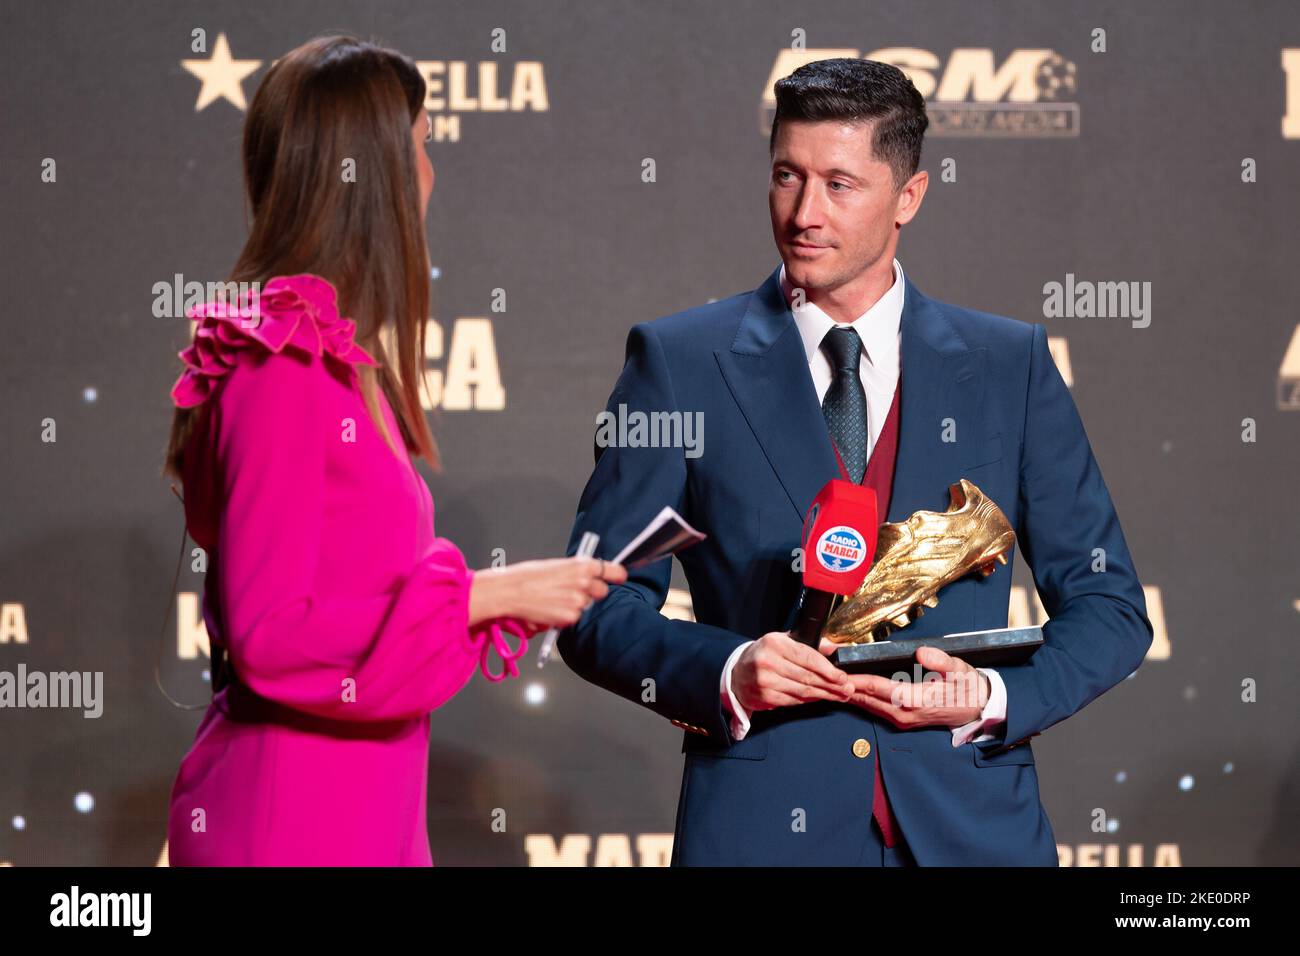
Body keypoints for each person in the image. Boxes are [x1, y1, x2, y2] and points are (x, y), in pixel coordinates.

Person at [560, 58, 1152, 866]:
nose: (805, 213)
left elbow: (1110, 606)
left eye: (840, 185)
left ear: (909, 196)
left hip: (973, 832)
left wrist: (992, 696)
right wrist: (729, 669)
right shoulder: (679, 364)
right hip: (761, 836)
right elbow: (596, 606)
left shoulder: (1009, 366)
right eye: (787, 176)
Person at [161, 34, 625, 866]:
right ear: (375, 172)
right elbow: (271, 633)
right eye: (421, 145)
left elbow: (344, 601)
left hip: (355, 804)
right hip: (293, 820)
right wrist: (483, 594)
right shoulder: (282, 367)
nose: (431, 173)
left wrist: (489, 600)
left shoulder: (329, 359)